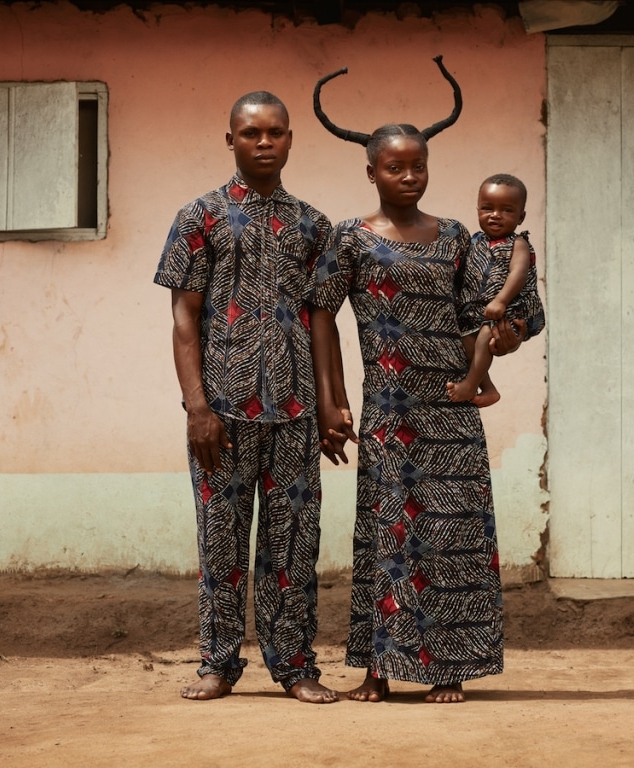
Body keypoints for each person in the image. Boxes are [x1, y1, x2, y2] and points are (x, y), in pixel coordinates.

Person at [309, 58, 504, 704]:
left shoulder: (456, 237)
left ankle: (449, 669)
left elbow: (476, 317)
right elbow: (321, 317)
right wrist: (332, 402)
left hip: (451, 410)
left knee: (451, 536)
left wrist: (490, 354)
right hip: (389, 411)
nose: (410, 176)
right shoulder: (351, 239)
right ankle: (378, 670)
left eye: (419, 166)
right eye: (396, 167)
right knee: (389, 534)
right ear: (372, 172)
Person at [153, 91, 338, 704]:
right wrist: (196, 408)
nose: (264, 142)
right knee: (220, 540)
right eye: (251, 132)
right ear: (229, 139)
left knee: (294, 542)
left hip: (295, 412)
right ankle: (217, 663)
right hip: (222, 413)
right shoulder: (199, 217)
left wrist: (330, 405)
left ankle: (295, 665)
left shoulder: (314, 225)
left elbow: (321, 321)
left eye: (275, 132)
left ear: (290, 140)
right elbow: (184, 319)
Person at [448, 173, 545, 406]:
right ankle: (488, 388)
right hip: (480, 311)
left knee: (485, 335)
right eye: (487, 208)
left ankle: (470, 384)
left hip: (512, 307)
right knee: (466, 339)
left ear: (521, 217)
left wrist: (501, 300)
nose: (495, 215)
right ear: (477, 209)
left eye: (507, 210)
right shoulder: (475, 241)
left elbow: (518, 273)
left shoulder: (518, 244)